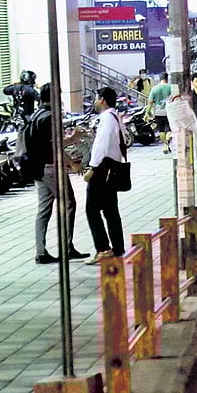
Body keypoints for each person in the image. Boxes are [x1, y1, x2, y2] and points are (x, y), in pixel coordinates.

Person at [30, 83, 89, 264]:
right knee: (69, 203)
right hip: (52, 168)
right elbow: (55, 146)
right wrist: (72, 163)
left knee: (44, 209)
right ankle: (67, 246)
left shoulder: (36, 115)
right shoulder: (50, 117)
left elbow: (52, 141)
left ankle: (41, 251)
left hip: (38, 168)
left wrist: (71, 139)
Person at [83, 87, 129, 264]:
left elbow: (101, 146)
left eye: (96, 98)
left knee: (92, 210)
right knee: (111, 210)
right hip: (113, 168)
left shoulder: (107, 119)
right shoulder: (116, 117)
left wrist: (92, 168)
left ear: (102, 100)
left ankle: (102, 248)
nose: (95, 102)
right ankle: (118, 248)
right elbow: (124, 141)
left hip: (102, 169)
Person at [146, 73, 173, 154]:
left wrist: (147, 112)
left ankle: (164, 145)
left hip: (158, 112)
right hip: (169, 111)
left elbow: (150, 102)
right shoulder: (171, 88)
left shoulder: (154, 89)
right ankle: (167, 142)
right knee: (169, 129)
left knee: (161, 130)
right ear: (167, 78)